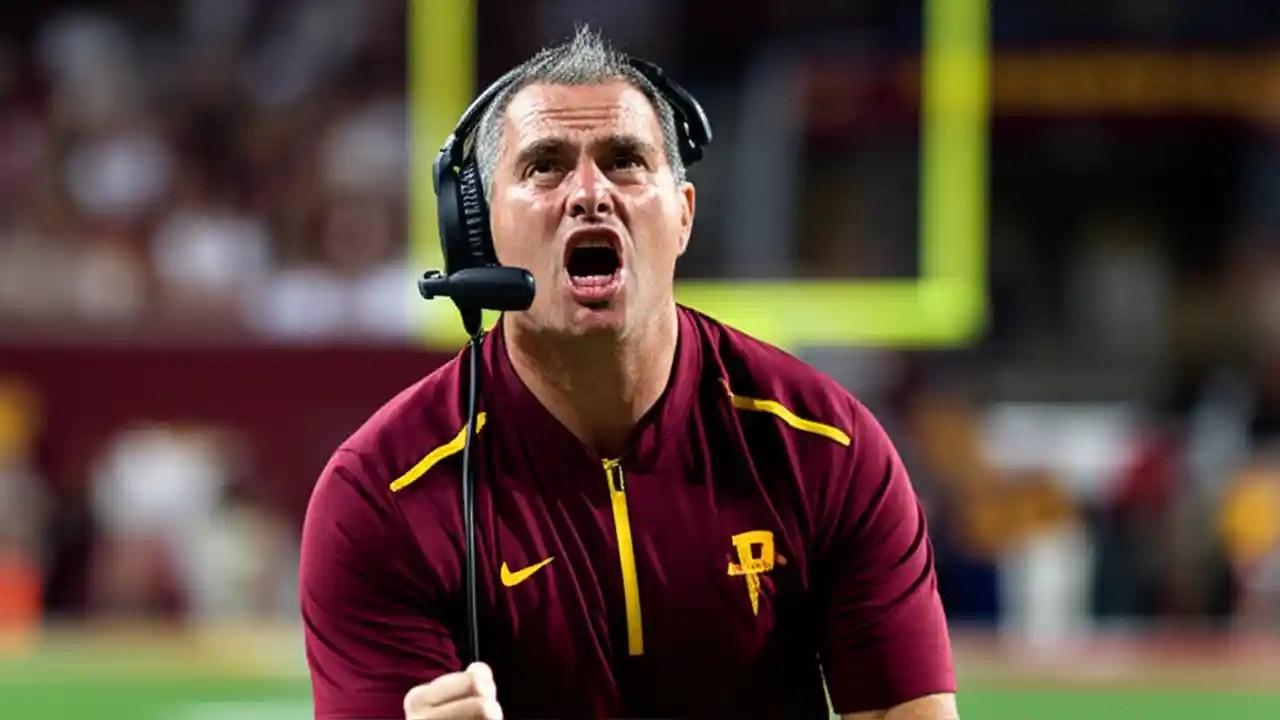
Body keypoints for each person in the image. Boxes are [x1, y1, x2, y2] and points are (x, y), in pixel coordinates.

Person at [300, 27, 957, 720]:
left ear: (684, 217)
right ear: (480, 230)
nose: (589, 193)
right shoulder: (382, 496)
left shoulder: (824, 446)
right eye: (545, 166)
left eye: (625, 161)